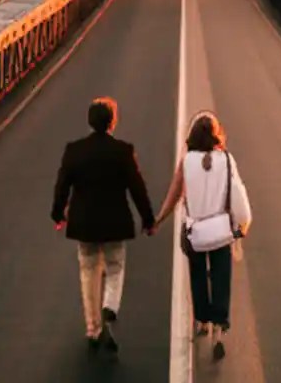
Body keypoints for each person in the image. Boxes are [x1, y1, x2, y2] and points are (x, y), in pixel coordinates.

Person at [52, 97, 156, 353]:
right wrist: (148, 219)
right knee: (115, 266)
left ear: (89, 121)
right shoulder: (123, 151)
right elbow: (137, 187)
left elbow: (62, 185)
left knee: (88, 272)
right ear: (113, 121)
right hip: (114, 222)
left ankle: (93, 328)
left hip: (84, 223)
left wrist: (58, 214)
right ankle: (110, 304)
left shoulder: (74, 150)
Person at [153, 111, 252, 361]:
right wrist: (244, 222)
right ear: (216, 134)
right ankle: (219, 330)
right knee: (221, 278)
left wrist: (158, 220)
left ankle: (202, 320)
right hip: (221, 232)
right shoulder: (226, 160)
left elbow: (175, 194)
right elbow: (238, 194)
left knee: (197, 276)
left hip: (195, 231)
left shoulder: (187, 162)